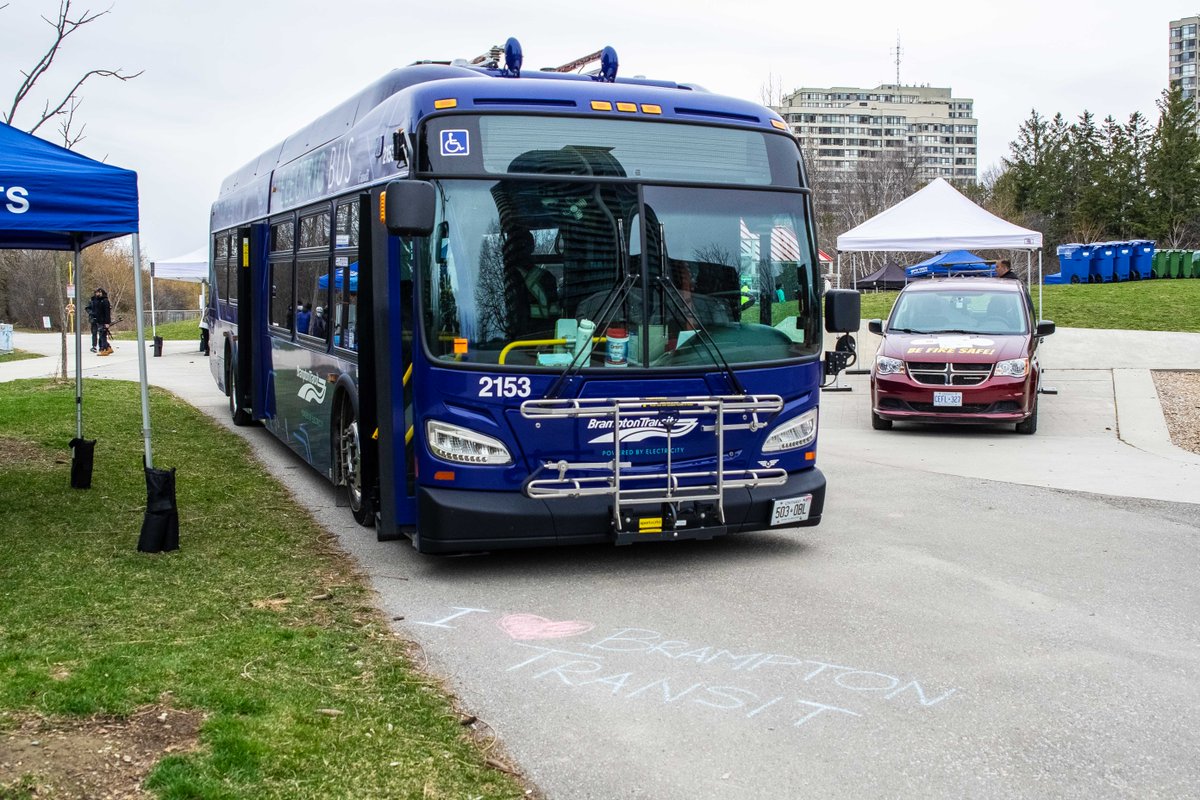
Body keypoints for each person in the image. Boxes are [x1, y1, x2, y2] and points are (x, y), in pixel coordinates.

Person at [93, 287, 113, 356]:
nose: (97, 294)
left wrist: (107, 322)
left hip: (104, 321)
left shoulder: (105, 301)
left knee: (103, 335)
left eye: (98, 292)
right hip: (99, 321)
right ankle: (108, 347)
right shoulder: (98, 300)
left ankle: (104, 349)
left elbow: (107, 312)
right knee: (102, 335)